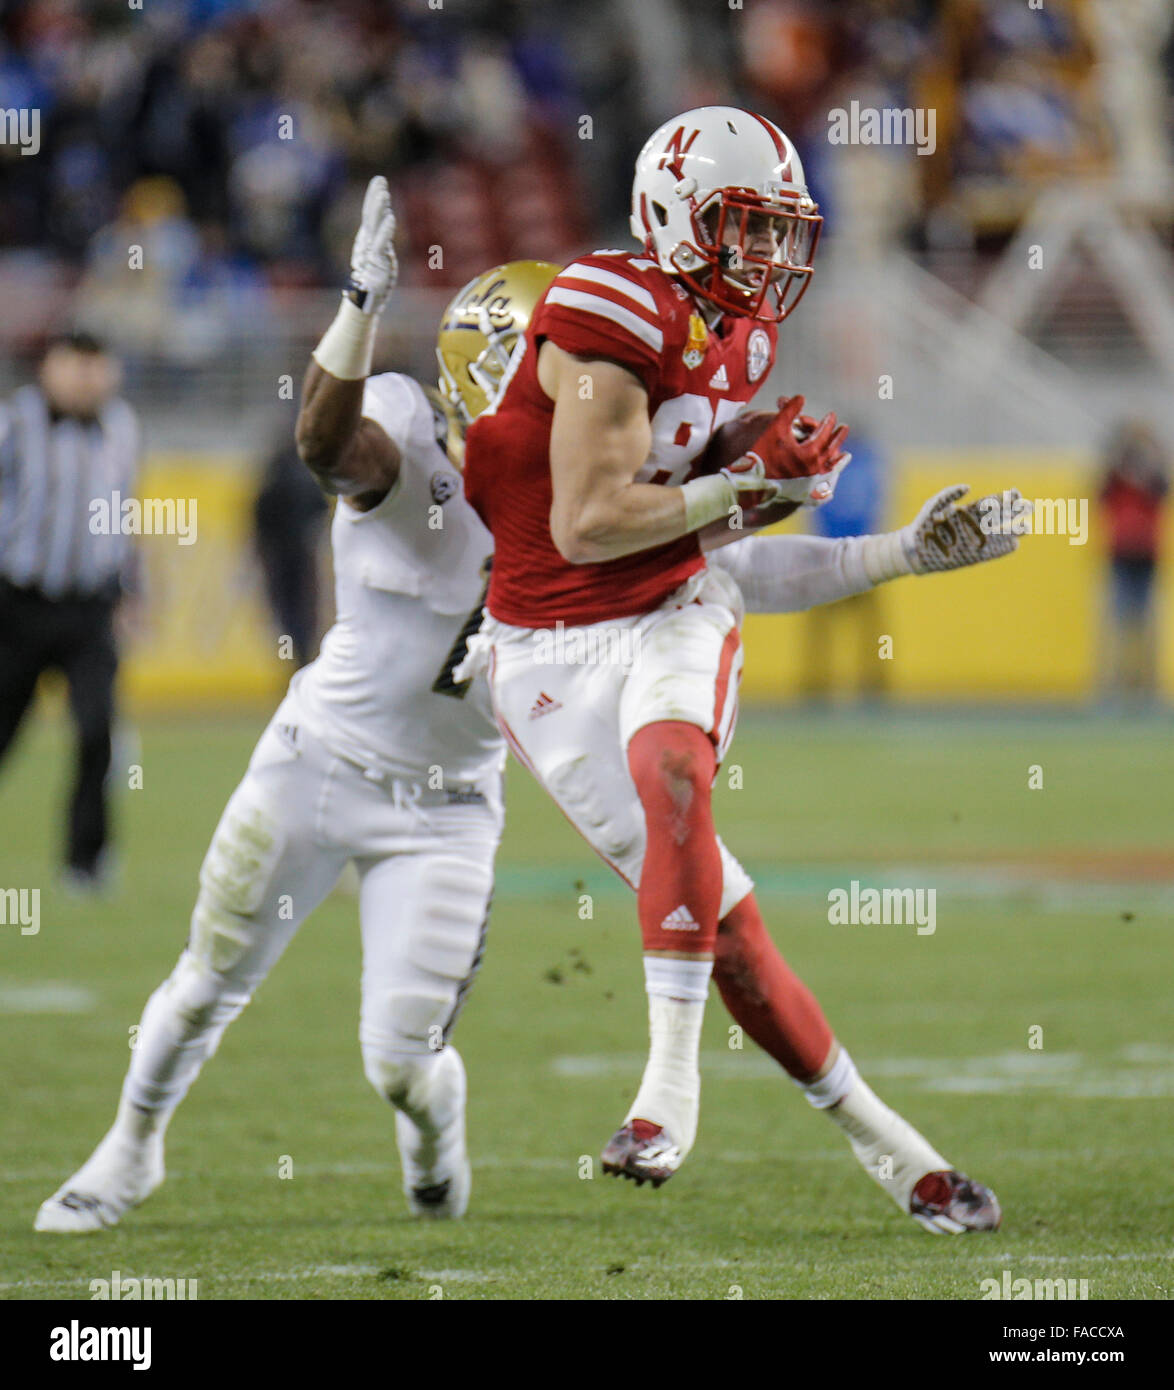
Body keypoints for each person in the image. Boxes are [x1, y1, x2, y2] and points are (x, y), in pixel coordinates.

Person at [463, 107, 1018, 1231]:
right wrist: (740, 482)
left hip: (666, 604)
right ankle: (897, 1151)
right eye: (742, 227)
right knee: (735, 945)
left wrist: (898, 550)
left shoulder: (738, 338)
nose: (767, 258)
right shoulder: (608, 307)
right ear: (672, 216)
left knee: (674, 764)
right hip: (542, 651)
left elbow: (719, 563)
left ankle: (667, 1089)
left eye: (778, 231)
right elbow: (584, 526)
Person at [34, 184, 562, 1232]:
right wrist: (359, 305)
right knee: (203, 980)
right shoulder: (408, 430)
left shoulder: (589, 498)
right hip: (318, 760)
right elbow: (323, 445)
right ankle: (129, 1151)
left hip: (448, 806)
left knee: (401, 1060)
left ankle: (431, 1132)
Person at [0, 333, 141, 889]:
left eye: (96, 367)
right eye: (75, 366)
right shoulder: (14, 423)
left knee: (96, 729)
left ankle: (86, 863)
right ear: (49, 369)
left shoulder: (124, 427)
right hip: (17, 605)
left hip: (88, 608)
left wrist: (132, 590)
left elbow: (125, 515)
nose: (87, 379)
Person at [1098, 420, 1169, 698]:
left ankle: (1147, 684)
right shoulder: (1116, 475)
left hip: (1147, 553)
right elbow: (1102, 495)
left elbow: (1161, 493)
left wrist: (1149, 467)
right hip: (1120, 552)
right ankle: (1112, 684)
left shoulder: (1153, 476)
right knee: (1116, 619)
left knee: (1146, 621)